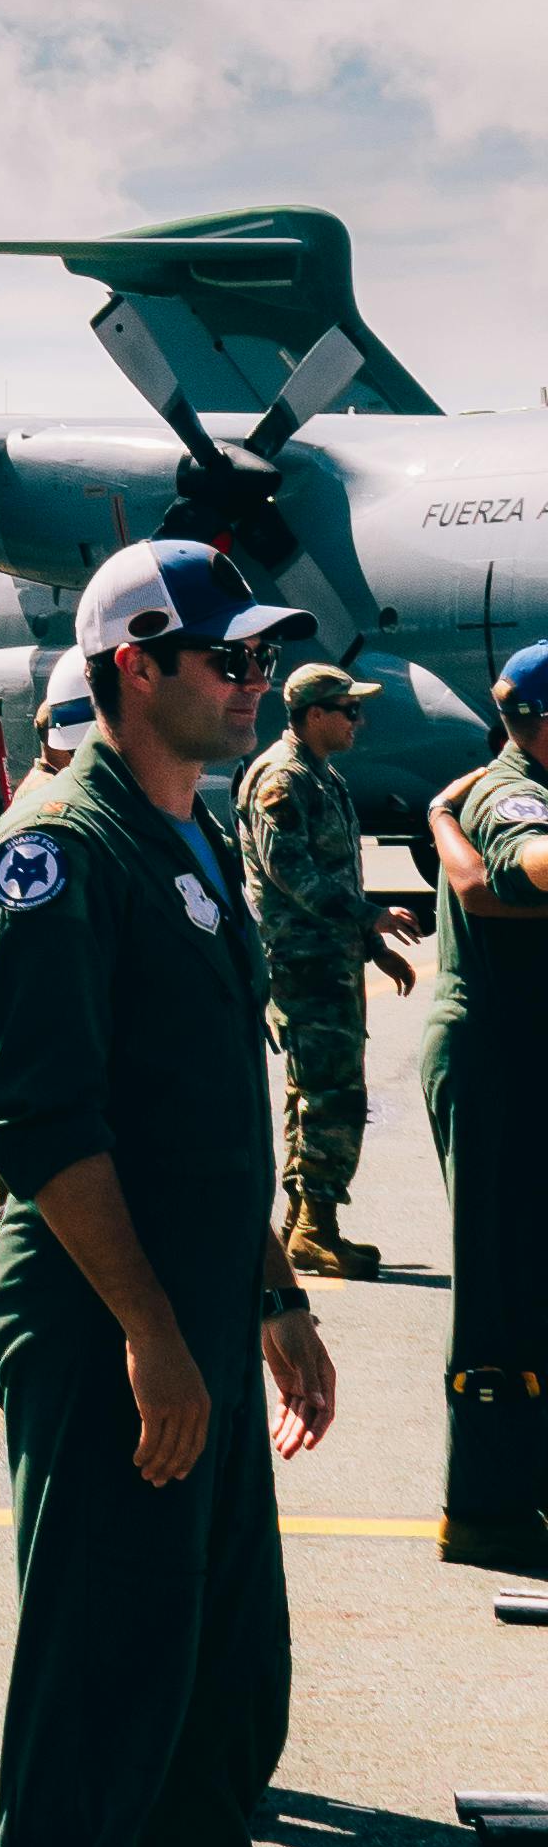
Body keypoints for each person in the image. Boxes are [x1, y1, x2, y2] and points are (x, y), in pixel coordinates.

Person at [0, 536, 341, 1847]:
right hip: (111, 1330)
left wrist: (269, 1300)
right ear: (133, 663)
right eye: (220, 656)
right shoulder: (61, 847)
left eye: (258, 658)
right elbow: (45, 1124)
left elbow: (204, 1115)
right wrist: (151, 1340)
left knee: (221, 1694)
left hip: (192, 1315)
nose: (247, 678)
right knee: (103, 1701)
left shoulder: (188, 833)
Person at [421, 643, 548, 1576]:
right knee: (502, 1289)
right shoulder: (515, 796)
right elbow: (524, 870)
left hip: (523, 1061)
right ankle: (488, 1507)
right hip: (500, 1064)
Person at [236, 657, 415, 1280]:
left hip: (329, 959)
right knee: (330, 1094)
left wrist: (371, 947)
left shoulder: (319, 776)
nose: (358, 721)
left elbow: (333, 872)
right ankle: (317, 1228)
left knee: (317, 1092)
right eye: (349, 710)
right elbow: (294, 876)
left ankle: (303, 1224)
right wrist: (369, 918)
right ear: (315, 716)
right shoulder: (281, 781)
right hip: (304, 964)